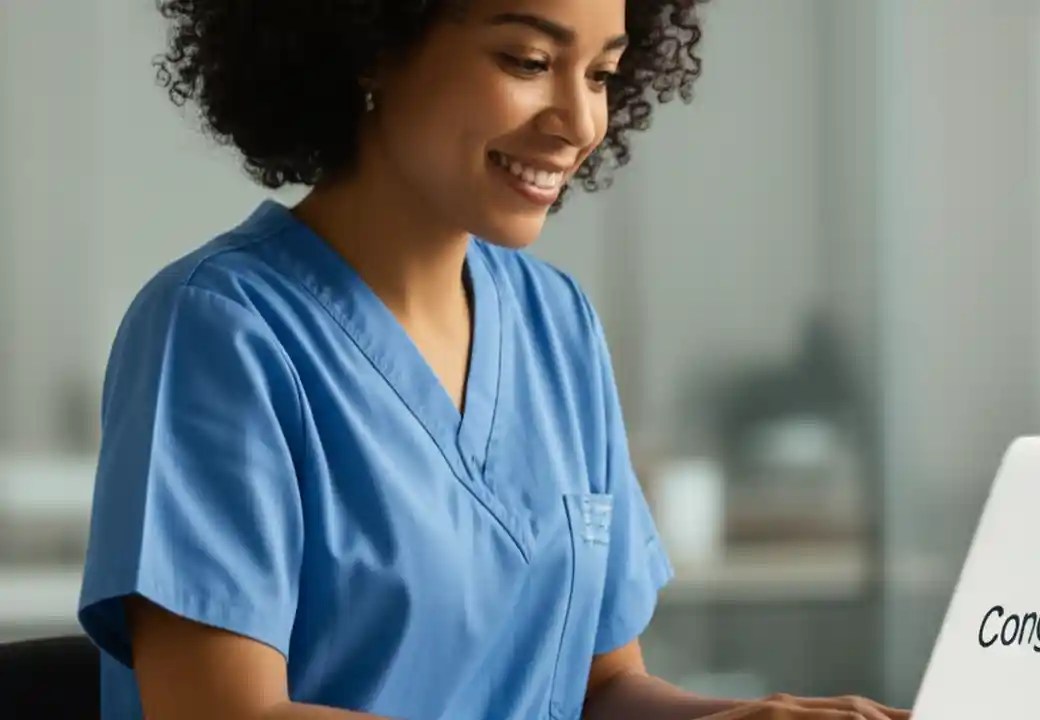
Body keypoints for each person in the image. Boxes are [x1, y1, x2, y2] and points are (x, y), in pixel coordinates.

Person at [76, 1, 912, 718]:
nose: (581, 123)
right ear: (372, 41)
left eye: (600, 75)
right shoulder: (221, 330)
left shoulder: (559, 324)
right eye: (529, 60)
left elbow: (603, 687)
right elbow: (225, 714)